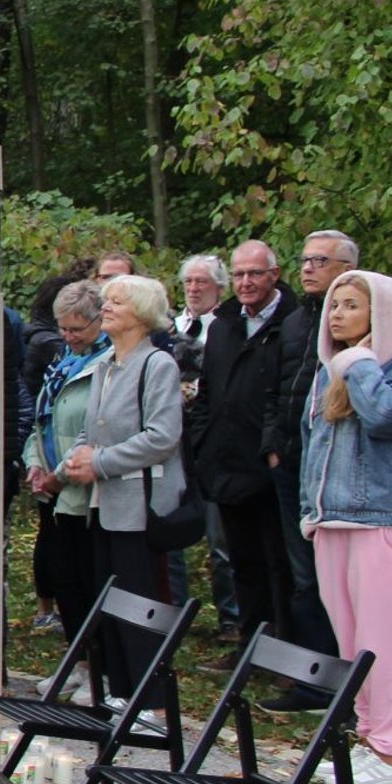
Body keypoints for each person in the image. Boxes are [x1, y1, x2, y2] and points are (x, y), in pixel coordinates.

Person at [302, 270, 392, 784]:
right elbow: (313, 443)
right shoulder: (330, 369)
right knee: (354, 644)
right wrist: (312, 509)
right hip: (333, 521)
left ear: (382, 315)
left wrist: (357, 366)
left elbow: (387, 420)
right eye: (334, 305)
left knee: (386, 643)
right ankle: (370, 740)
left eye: (350, 305)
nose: (336, 314)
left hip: (383, 523)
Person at [61, 275, 185, 710]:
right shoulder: (105, 365)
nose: (106, 307)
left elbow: (162, 436)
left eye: (117, 302)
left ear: (142, 313)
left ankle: (152, 701)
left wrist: (99, 462)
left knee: (139, 604)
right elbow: (87, 428)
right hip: (103, 504)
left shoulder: (157, 365)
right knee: (107, 598)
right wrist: (73, 459)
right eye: (106, 300)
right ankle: (121, 689)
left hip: (139, 505)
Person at [188, 240, 300, 666]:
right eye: (239, 275)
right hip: (226, 461)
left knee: (281, 564)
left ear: (274, 274)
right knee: (243, 561)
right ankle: (249, 646)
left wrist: (275, 452)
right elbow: (209, 393)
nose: (246, 282)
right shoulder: (223, 325)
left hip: (270, 464)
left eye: (255, 273)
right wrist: (204, 444)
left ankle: (286, 654)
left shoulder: (291, 323)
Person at [266, 230, 360, 663]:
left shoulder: (359, 326)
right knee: (300, 570)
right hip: (290, 458)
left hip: (336, 469)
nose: (307, 268)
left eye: (320, 261)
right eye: (304, 260)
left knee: (335, 576)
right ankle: (308, 669)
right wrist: (273, 444)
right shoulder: (294, 320)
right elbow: (277, 388)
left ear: (347, 269)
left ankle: (337, 672)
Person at [24, 280, 110, 703]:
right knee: (65, 580)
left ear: (99, 320)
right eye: (64, 328)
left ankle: (101, 668)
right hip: (53, 491)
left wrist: (60, 472)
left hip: (83, 489)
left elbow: (89, 427)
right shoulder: (64, 360)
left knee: (88, 578)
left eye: (77, 329)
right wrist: (34, 462)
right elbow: (43, 415)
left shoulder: (108, 362)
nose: (68, 337)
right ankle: (77, 661)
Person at [169, 254, 241, 641]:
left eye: (202, 283)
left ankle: (231, 617)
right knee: (171, 523)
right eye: (188, 283)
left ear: (219, 288)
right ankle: (174, 609)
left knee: (221, 538)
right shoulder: (171, 326)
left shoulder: (229, 328)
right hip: (173, 438)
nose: (194, 289)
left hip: (212, 439)